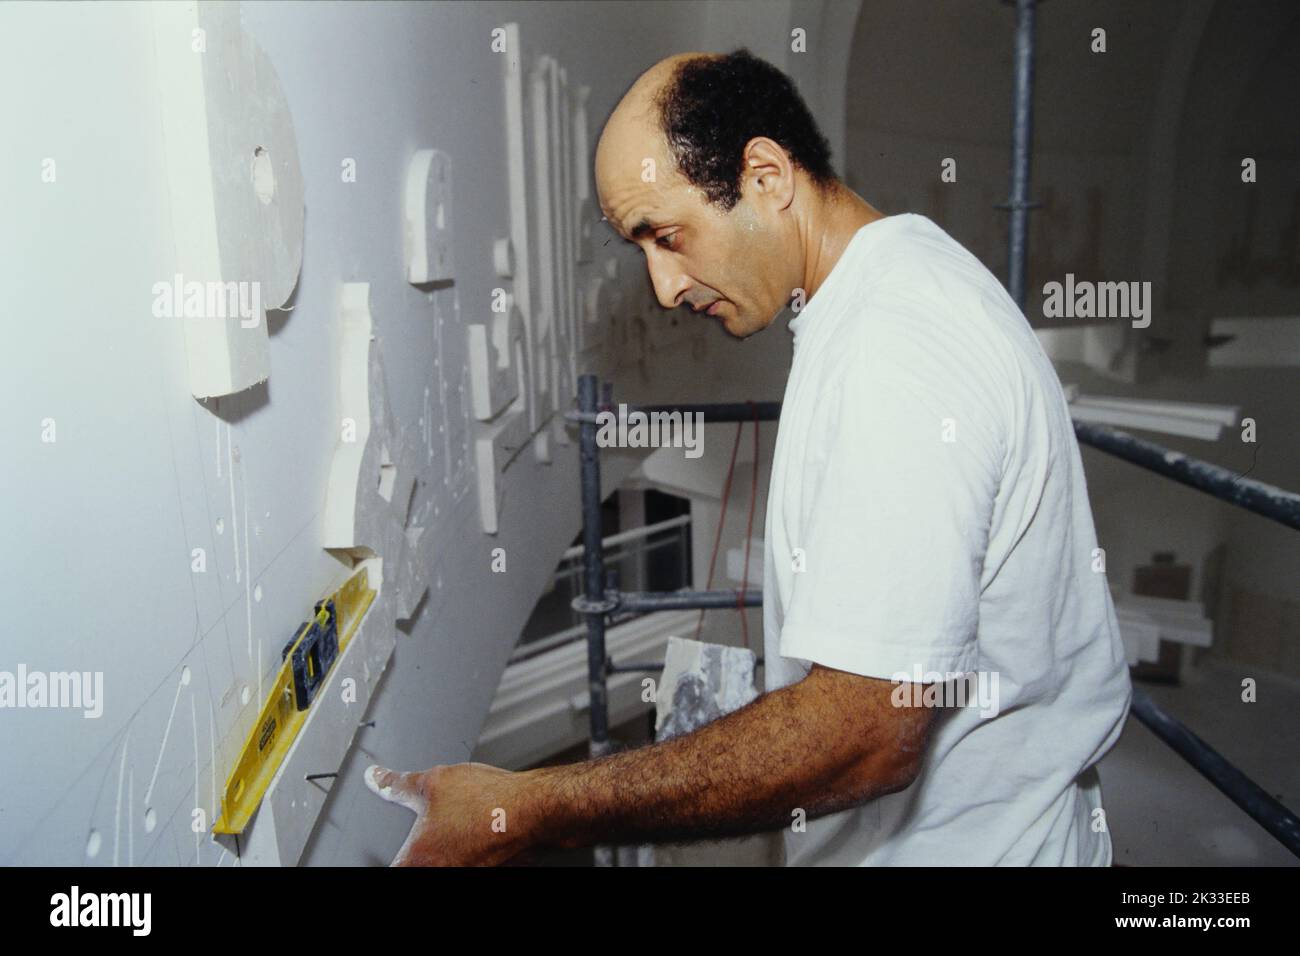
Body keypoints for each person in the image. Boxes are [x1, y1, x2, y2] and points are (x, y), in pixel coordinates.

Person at [366, 48, 1132, 866]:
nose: (663, 286)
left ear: (766, 176)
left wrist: (531, 807)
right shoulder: (889, 287)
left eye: (667, 236)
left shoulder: (899, 348)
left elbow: (863, 736)